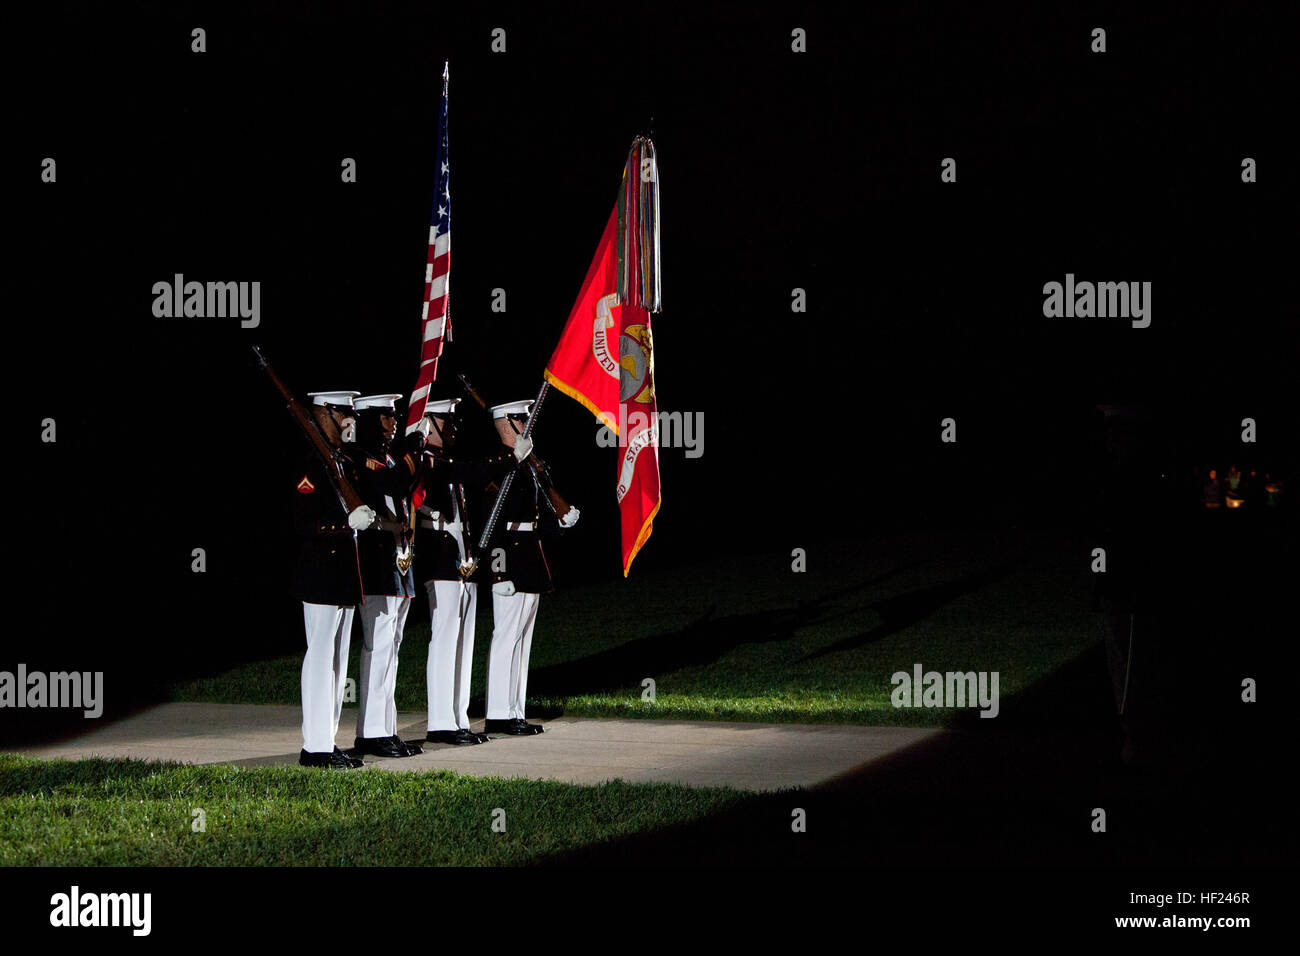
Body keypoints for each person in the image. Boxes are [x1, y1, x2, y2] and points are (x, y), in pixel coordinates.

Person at [416, 398, 520, 745]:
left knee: (463, 641)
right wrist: (507, 457)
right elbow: (469, 472)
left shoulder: (446, 460)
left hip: (462, 554)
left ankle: (458, 719)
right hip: (441, 555)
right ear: (428, 424)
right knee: (445, 640)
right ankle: (441, 722)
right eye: (446, 421)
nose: (453, 427)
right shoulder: (426, 461)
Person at [483, 400, 579, 736]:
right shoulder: (500, 466)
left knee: (522, 639)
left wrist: (561, 520)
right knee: (506, 636)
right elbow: (492, 524)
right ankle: (497, 712)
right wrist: (499, 572)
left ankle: (514, 710)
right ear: (506, 426)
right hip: (510, 556)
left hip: (531, 556)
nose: (527, 424)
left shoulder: (528, 466)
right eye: (521, 419)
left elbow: (537, 517)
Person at [292, 391, 375, 769]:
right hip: (320, 570)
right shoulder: (310, 459)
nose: (350, 419)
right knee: (321, 655)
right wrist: (344, 523)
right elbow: (302, 521)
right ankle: (315, 746)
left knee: (337, 660)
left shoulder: (341, 460)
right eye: (343, 412)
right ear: (323, 414)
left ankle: (328, 739)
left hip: (341, 568)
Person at [351, 394, 425, 758]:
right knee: (378, 647)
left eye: (394, 415)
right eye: (385, 416)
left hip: (398, 558)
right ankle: (370, 732)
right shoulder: (359, 457)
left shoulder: (390, 457)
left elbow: (406, 486)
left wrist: (415, 456)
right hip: (378, 560)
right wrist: (413, 453)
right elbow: (392, 484)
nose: (393, 421)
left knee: (391, 648)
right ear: (368, 419)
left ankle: (386, 728)